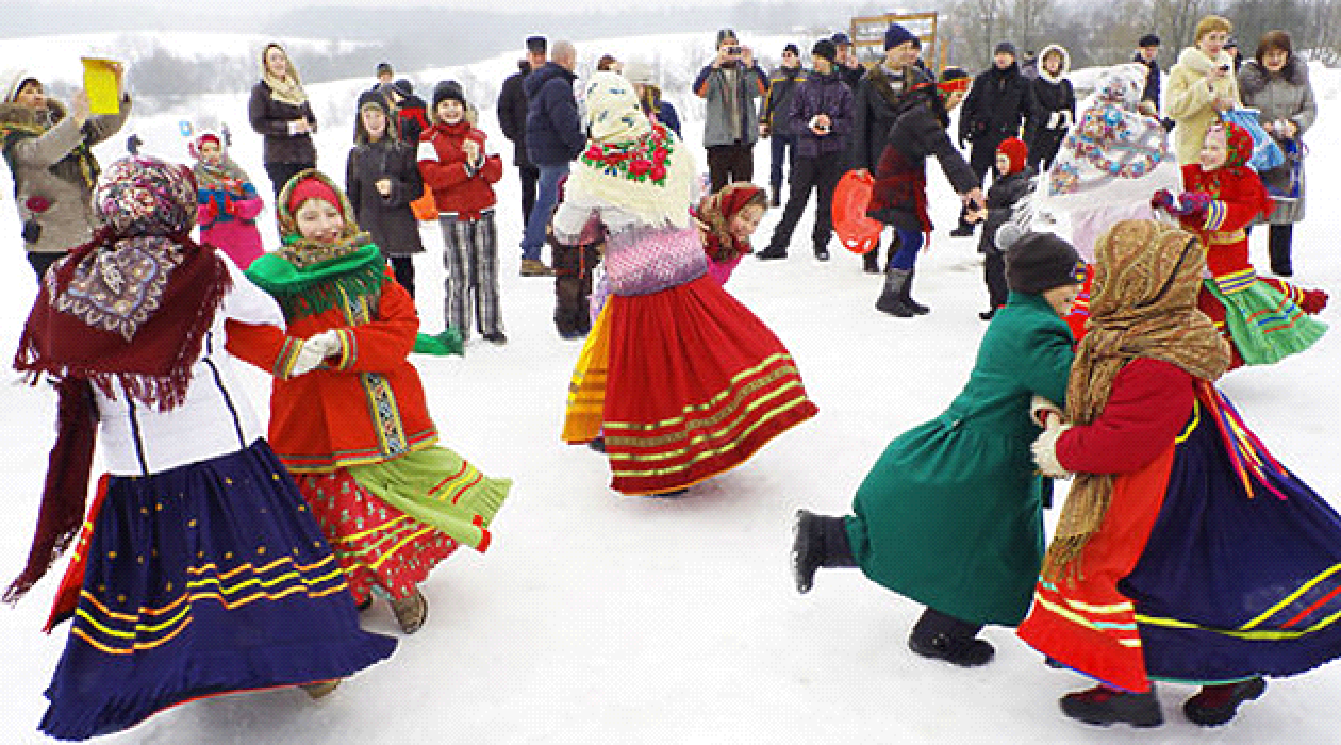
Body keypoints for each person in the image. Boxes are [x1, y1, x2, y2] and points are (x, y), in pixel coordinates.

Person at [8, 155, 396, 740]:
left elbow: (55, 354)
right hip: (225, 448)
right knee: (262, 560)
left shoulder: (67, 276)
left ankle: (162, 676)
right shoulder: (203, 266)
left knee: (164, 578)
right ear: (174, 206)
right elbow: (262, 311)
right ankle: (312, 668)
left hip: (139, 465)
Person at [1018, 218, 1341, 728]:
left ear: (1139, 282)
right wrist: (1059, 404)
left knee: (1123, 574)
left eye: (1111, 269)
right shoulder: (1142, 328)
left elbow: (1126, 439)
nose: (1096, 279)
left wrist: (1065, 447)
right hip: (1179, 481)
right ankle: (1227, 673)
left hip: (1156, 495)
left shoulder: (1155, 358)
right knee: (1190, 584)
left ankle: (1128, 688)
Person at [228, 169, 512, 633]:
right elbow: (240, 330)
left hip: (378, 409)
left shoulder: (369, 264)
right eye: (309, 215)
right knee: (331, 510)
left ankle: (399, 586)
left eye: (330, 212)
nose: (323, 225)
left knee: (378, 501)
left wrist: (343, 344)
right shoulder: (270, 278)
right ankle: (351, 587)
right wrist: (289, 355)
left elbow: (401, 329)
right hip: (311, 415)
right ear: (289, 221)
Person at [792, 232, 1082, 667]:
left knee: (964, 541)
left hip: (979, 444)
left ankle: (831, 540)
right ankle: (941, 634)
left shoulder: (1017, 316)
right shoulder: (1038, 330)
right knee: (992, 555)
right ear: (1043, 283)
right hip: (987, 457)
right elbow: (1073, 388)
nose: (1077, 290)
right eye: (1068, 280)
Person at [556, 72, 817, 496]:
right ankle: (717, 438)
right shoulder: (668, 145)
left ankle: (665, 467)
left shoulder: (591, 171)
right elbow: (694, 198)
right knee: (698, 360)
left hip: (637, 285)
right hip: (688, 273)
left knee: (649, 374)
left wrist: (593, 222)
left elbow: (567, 231)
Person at [1152, 120, 1325, 369]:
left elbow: (1243, 212)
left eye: (1214, 149)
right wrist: (1169, 199)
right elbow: (1171, 184)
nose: (1206, 154)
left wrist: (1207, 208)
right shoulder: (1191, 172)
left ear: (1234, 152)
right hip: (1189, 259)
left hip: (1225, 262)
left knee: (1224, 307)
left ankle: (1216, 357)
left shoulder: (1245, 180)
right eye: (1205, 147)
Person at [1034, 63, 1183, 337]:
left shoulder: (1086, 125)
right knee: (1130, 283)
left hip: (1090, 224)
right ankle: (1127, 338)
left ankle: (1086, 337)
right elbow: (1166, 174)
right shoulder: (1147, 128)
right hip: (1133, 228)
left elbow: (1066, 170)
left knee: (1092, 282)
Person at [868, 68, 983, 317]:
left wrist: (965, 186)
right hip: (896, 179)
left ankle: (902, 294)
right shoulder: (923, 115)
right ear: (945, 93)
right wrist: (968, 186)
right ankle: (889, 297)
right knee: (911, 239)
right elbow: (945, 150)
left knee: (911, 238)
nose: (957, 103)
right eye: (956, 97)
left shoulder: (927, 110)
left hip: (907, 177)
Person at [1, 67, 131, 281]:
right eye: (28, 92)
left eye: (39, 90)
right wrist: (76, 118)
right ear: (11, 101)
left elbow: (103, 126)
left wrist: (115, 90)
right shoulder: (13, 138)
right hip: (52, 242)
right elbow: (43, 151)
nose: (38, 96)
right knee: (60, 308)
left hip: (88, 233)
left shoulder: (64, 128)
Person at [419, 81, 507, 345]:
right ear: (436, 110)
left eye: (455, 104)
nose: (451, 110)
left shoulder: (478, 136)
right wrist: (466, 169)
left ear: (464, 107)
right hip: (452, 215)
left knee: (487, 271)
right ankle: (457, 329)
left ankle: (491, 326)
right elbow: (432, 176)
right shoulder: (429, 139)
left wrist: (479, 161)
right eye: (445, 105)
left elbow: (496, 172)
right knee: (460, 274)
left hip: (483, 211)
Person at [756, 39, 853, 262]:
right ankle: (779, 243)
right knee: (796, 200)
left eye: (821, 58)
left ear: (830, 60)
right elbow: (793, 120)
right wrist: (809, 126)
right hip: (806, 152)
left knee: (826, 201)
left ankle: (821, 244)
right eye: (815, 58)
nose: (817, 63)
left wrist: (831, 125)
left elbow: (849, 123)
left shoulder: (843, 89)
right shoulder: (804, 87)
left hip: (832, 152)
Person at [848, 22, 928, 273]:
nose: (908, 53)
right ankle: (870, 254)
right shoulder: (869, 82)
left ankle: (895, 257)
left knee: (908, 211)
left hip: (911, 157)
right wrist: (859, 162)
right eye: (902, 48)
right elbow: (860, 125)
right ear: (888, 50)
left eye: (911, 48)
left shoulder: (920, 79)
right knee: (876, 208)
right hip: (879, 155)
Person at [1238, 30, 1316, 277]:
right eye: (1270, 54)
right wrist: (1257, 127)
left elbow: (1310, 108)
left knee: (1282, 210)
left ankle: (1281, 269)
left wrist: (1295, 124)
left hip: (1287, 151)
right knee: (1247, 208)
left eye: (1280, 55)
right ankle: (1238, 266)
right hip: (1255, 150)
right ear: (1260, 55)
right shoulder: (1247, 77)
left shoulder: (1299, 78)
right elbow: (1237, 108)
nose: (1274, 60)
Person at [346, 90, 425, 296]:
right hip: (370, 228)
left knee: (404, 283)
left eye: (378, 115)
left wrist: (394, 189)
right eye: (367, 116)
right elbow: (352, 196)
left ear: (387, 118)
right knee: (374, 285)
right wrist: (352, 229)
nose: (373, 122)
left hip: (400, 229)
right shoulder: (356, 155)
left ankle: (408, 322)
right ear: (361, 120)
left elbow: (417, 188)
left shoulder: (403, 151)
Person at [955, 42, 1033, 237]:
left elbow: (1033, 114)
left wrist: (1025, 141)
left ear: (1013, 58)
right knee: (974, 181)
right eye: (999, 54)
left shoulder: (1022, 84)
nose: (1002, 58)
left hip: (1007, 141)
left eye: (1006, 54)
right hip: (983, 138)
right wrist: (963, 129)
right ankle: (967, 221)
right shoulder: (983, 80)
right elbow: (969, 106)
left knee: (1002, 185)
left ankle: (996, 220)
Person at [521, 39, 584, 277]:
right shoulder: (557, 84)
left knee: (547, 201)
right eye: (574, 59)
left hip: (545, 149)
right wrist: (579, 146)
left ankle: (539, 250)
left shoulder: (545, 81)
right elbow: (564, 120)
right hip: (553, 151)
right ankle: (531, 254)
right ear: (566, 59)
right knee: (547, 202)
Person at [967, 136, 1034, 319]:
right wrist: (981, 212)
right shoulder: (1002, 181)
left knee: (1003, 277)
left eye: (1004, 161)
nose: (1000, 165)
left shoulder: (1021, 184)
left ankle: (1005, 308)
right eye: (998, 161)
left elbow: (1015, 213)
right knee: (991, 275)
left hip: (1007, 239)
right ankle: (996, 305)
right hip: (992, 236)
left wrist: (989, 215)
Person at [693, 29, 768, 192]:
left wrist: (751, 65)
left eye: (733, 45)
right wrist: (715, 65)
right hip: (718, 142)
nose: (730, 50)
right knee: (720, 191)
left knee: (742, 191)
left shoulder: (746, 71)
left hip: (743, 141)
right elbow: (700, 91)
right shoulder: (711, 72)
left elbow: (761, 89)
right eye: (725, 46)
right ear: (718, 48)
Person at [1165, 15, 1240, 166]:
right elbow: (1173, 108)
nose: (1217, 43)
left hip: (1222, 148)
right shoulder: (1182, 69)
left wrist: (1229, 105)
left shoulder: (1227, 68)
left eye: (1222, 38)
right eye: (1212, 38)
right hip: (1193, 149)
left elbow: (1237, 103)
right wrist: (1205, 84)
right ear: (1199, 40)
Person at [248, 43, 318, 196]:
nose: (279, 62)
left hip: (305, 155)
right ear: (266, 64)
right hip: (280, 158)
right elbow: (258, 123)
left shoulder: (296, 88)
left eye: (281, 58)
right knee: (287, 203)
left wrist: (309, 125)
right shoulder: (261, 91)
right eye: (273, 59)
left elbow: (312, 118)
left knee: (309, 201)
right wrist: (289, 127)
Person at [191, 129, 265, 268]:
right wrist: (207, 211)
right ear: (198, 153)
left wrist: (239, 208)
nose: (211, 154)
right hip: (213, 237)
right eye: (206, 150)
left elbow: (257, 204)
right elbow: (191, 212)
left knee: (255, 273)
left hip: (244, 236)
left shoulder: (236, 173)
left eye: (215, 149)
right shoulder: (194, 178)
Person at [498, 35, 547, 246]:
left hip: (549, 149)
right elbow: (503, 112)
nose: (538, 59)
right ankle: (531, 231)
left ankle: (550, 230)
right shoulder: (513, 83)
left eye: (541, 55)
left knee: (551, 193)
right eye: (534, 55)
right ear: (528, 56)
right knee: (528, 193)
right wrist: (516, 136)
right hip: (525, 149)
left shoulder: (553, 80)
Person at [758, 44, 805, 206]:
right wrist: (763, 121)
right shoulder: (775, 76)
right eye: (784, 54)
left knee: (796, 164)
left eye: (790, 54)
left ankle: (794, 195)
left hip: (798, 128)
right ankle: (776, 194)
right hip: (778, 126)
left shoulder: (805, 76)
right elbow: (766, 101)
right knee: (776, 163)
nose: (787, 57)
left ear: (797, 57)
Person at [696, 182, 767, 284]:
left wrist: (695, 251)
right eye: (745, 218)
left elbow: (716, 279)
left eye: (755, 223)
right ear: (728, 208)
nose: (748, 227)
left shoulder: (736, 245)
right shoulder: (696, 225)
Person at [1023, 44, 1074, 171]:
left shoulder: (1066, 85)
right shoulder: (1035, 84)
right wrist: (1052, 117)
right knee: (1032, 172)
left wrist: (1066, 119)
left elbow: (1071, 108)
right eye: (1049, 60)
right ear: (1043, 62)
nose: (1052, 63)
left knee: (1055, 171)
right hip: (1037, 135)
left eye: (1056, 60)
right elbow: (1033, 108)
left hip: (1059, 135)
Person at [624, 59, 681, 138]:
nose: (632, 93)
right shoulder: (621, 112)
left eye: (636, 88)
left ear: (646, 87)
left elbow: (677, 142)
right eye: (629, 89)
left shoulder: (665, 110)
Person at [389, 78, 429, 146]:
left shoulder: (405, 112)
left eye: (394, 92)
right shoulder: (420, 106)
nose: (393, 95)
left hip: (410, 149)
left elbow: (404, 135)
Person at [1134, 33, 1163, 117]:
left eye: (1153, 50)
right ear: (1140, 49)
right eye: (1147, 49)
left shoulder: (1155, 69)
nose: (1150, 53)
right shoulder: (1133, 68)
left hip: (1151, 113)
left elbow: (1155, 94)